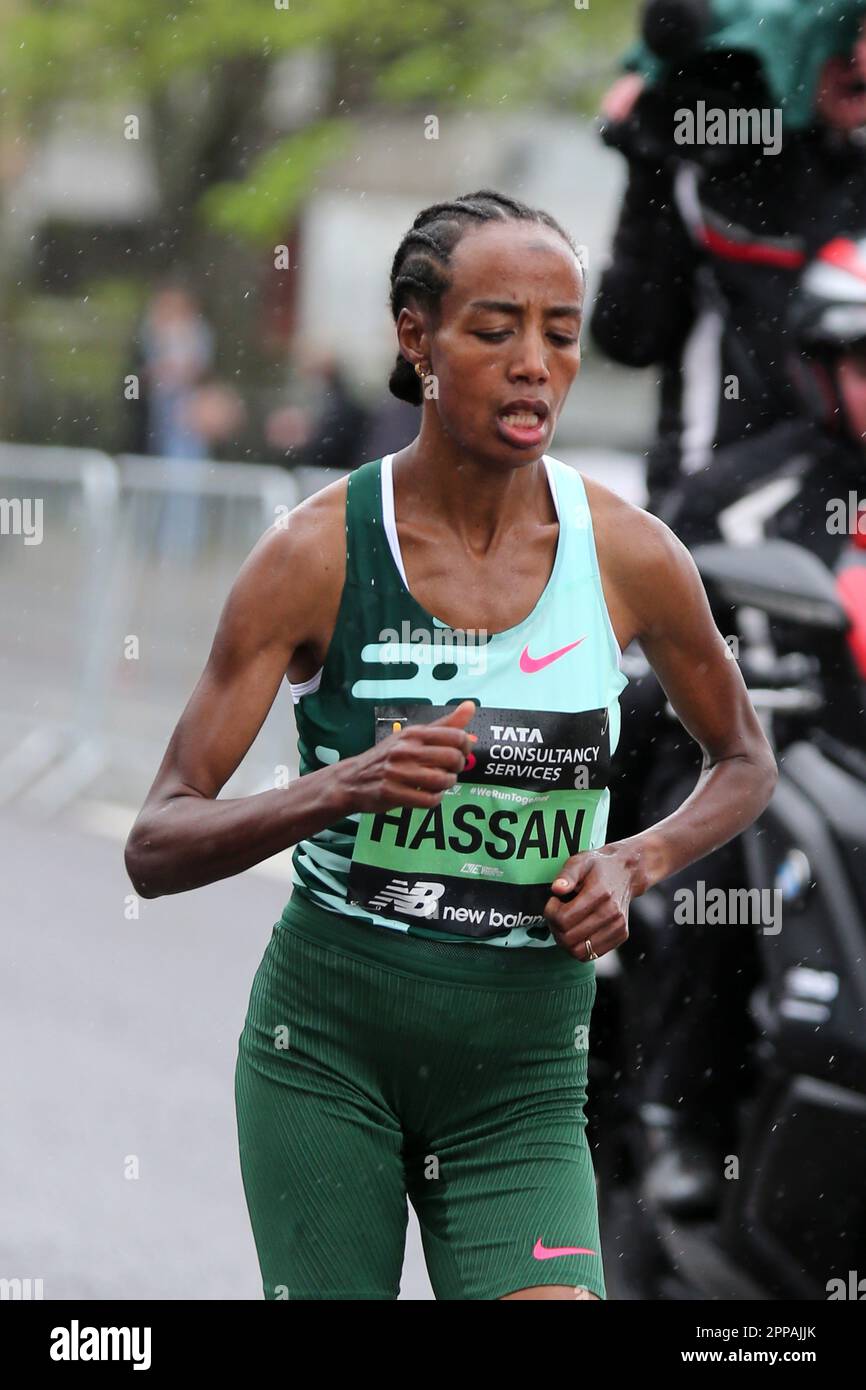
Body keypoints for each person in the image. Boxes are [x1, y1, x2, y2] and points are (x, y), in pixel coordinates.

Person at [124, 189, 776, 1301]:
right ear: (413, 334)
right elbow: (157, 838)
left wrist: (632, 860)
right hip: (327, 1054)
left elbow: (743, 761)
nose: (533, 363)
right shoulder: (313, 555)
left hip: (520, 1072)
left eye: (560, 335)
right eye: (493, 329)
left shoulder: (629, 555)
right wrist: (339, 789)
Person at [616, 230, 866, 1215]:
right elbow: (649, 631)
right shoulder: (744, 495)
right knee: (717, 870)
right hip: (758, 760)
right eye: (864, 361)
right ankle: (674, 1110)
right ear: (820, 367)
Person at [591, 0, 866, 513]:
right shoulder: (709, 172)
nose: (855, 57)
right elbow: (627, 336)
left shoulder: (852, 171)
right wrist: (650, 161)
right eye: (843, 38)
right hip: (708, 508)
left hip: (836, 512)